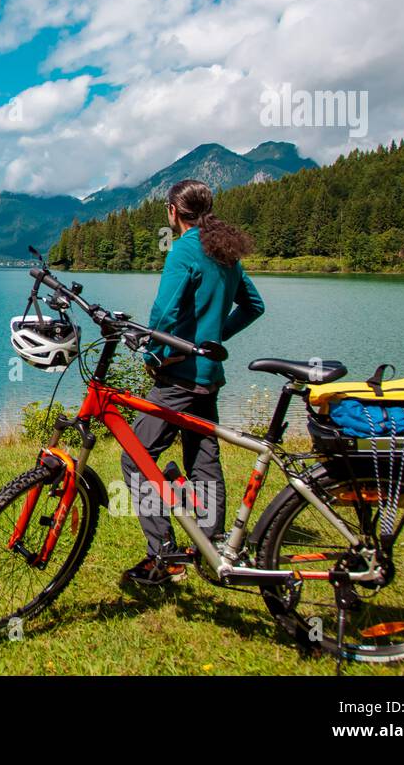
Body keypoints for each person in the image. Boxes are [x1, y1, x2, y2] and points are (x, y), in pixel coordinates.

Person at [120, 179, 265, 586]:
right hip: (207, 377)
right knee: (203, 457)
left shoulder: (184, 249)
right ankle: (213, 542)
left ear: (172, 212)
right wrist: (213, 339)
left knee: (136, 456)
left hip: (179, 376)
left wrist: (152, 354)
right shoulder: (224, 250)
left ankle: (163, 557)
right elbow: (254, 306)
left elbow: (164, 313)